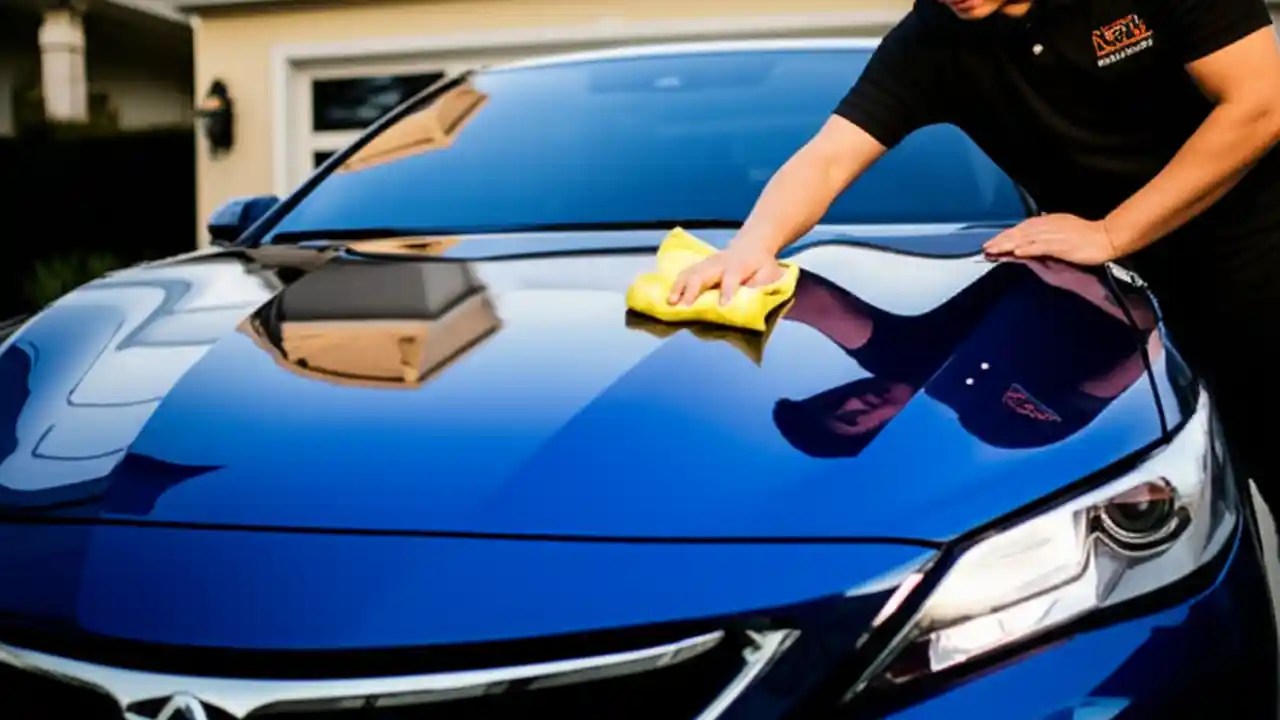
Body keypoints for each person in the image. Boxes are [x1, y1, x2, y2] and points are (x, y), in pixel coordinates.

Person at [669, 0, 1280, 500]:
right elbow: (830, 156)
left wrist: (1111, 232)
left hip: (1259, 260)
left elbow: (1261, 103)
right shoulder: (933, 38)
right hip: (1126, 295)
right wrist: (753, 245)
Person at [771, 258, 1161, 457]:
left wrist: (724, 284)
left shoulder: (893, 352)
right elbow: (1157, 348)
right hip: (1165, 274)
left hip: (1057, 206)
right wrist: (1082, 284)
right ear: (881, 439)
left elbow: (814, 303)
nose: (854, 401)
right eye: (852, 419)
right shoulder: (1006, 427)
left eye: (831, 401)